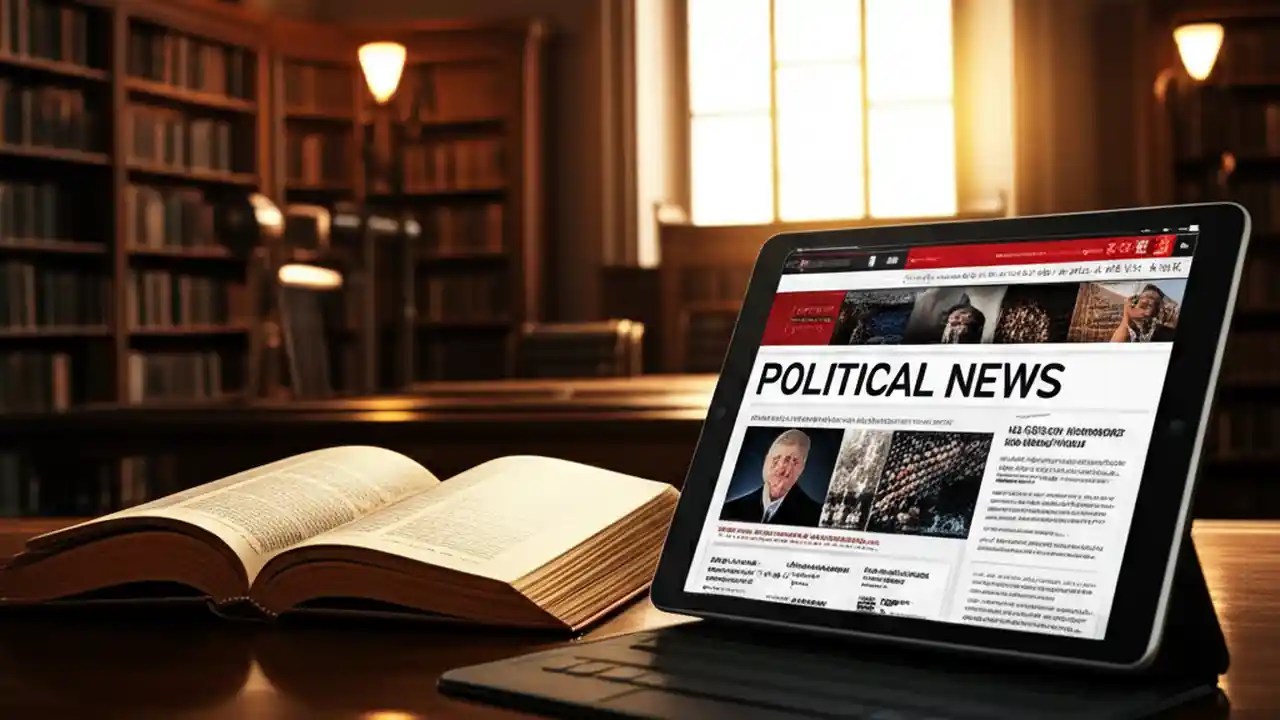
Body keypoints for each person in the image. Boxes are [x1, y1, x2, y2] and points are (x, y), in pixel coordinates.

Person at [720, 429, 823, 526]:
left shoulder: (817, 518)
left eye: (792, 461)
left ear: (801, 468)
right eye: (776, 458)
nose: (781, 467)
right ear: (766, 460)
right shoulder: (728, 510)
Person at [1111, 284, 1176, 342]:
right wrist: (1127, 316)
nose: (1145, 301)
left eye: (1152, 298)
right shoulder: (1130, 328)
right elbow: (1113, 349)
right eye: (1142, 298)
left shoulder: (1167, 334)